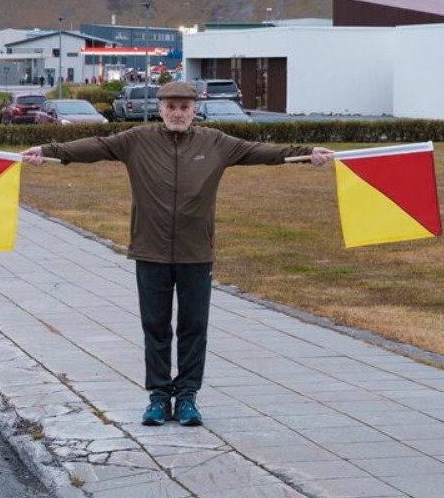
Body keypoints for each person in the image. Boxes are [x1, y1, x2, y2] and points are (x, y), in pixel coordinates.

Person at [22, 80, 334, 427]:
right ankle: (158, 398)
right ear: (160, 109)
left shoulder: (215, 143)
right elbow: (94, 146)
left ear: (194, 111)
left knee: (193, 327)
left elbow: (263, 151)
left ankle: (186, 398)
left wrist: (309, 153)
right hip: (150, 251)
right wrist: (47, 151)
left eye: (184, 108)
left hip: (196, 253)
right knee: (155, 326)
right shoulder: (136, 141)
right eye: (171, 107)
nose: (177, 113)